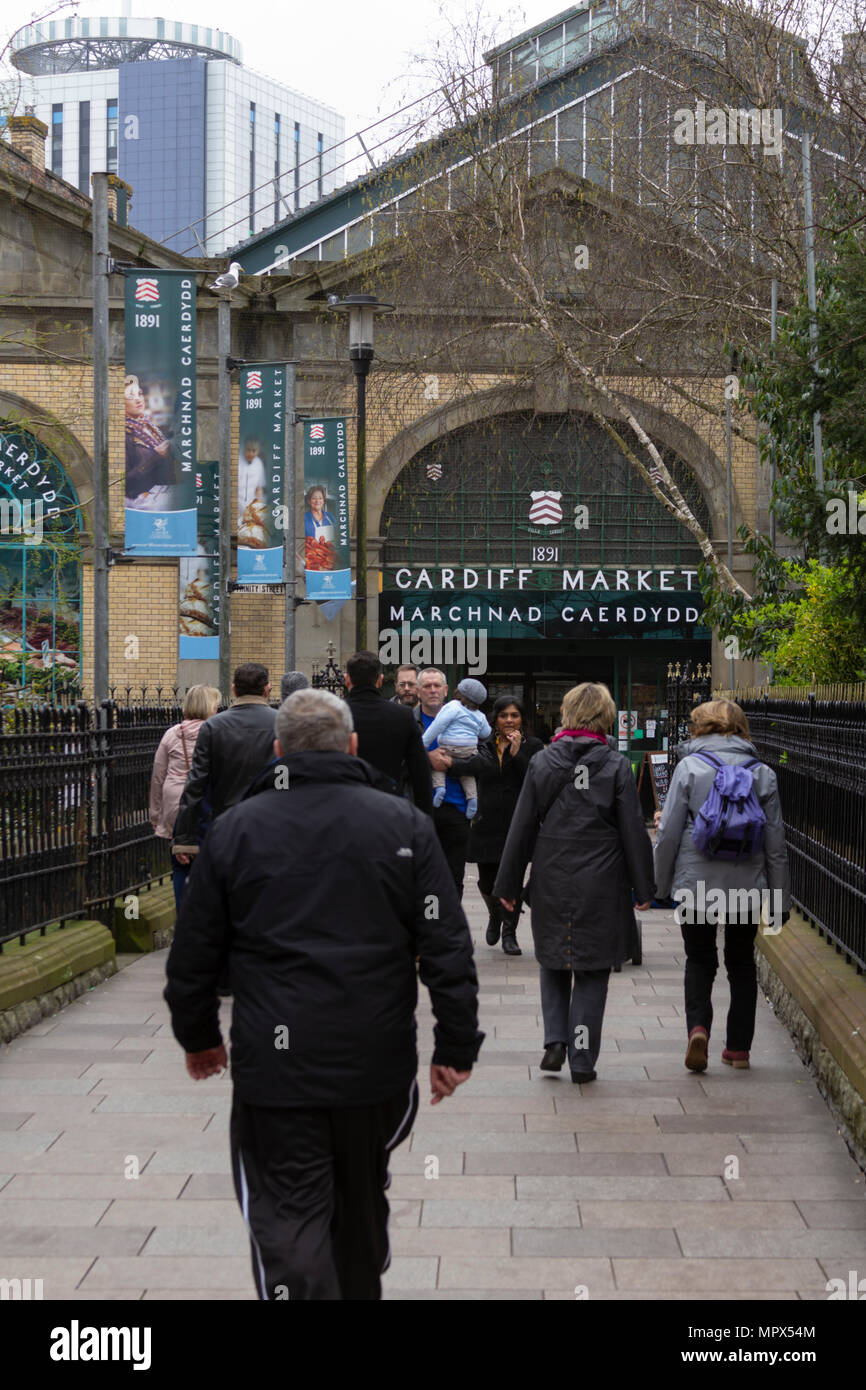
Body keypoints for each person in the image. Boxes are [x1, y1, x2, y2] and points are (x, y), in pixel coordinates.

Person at [163, 688, 483, 1300]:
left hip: (276, 1067)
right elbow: (446, 941)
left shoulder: (235, 830)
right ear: (354, 746)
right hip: (376, 1063)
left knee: (289, 1213)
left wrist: (199, 1035)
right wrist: (455, 1045)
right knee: (360, 1198)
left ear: (278, 750)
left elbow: (195, 949)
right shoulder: (406, 825)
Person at [495, 682, 654, 1083]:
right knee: (592, 969)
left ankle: (554, 1041)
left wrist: (509, 887)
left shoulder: (543, 762)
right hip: (601, 878)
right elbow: (633, 830)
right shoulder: (616, 765)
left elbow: (521, 827)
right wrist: (644, 887)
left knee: (552, 959)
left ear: (566, 714)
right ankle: (581, 1058)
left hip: (551, 872)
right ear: (604, 717)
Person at [653, 699, 790, 1073]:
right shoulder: (762, 772)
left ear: (700, 728)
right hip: (746, 884)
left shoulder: (689, 767)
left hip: (696, 884)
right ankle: (738, 1049)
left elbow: (667, 834)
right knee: (741, 962)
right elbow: (776, 842)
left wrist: (660, 885)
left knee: (699, 959)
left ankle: (698, 1029)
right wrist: (779, 900)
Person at [172, 663, 277, 864]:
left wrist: (185, 838)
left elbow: (196, 783)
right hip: (270, 823)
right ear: (267, 689)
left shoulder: (214, 726)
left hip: (225, 823)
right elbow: (285, 773)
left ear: (234, 689)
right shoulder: (282, 723)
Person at [467, 694, 544, 957]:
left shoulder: (533, 746)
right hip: (487, 822)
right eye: (504, 716)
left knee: (511, 879)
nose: (509, 720)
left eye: (514, 715)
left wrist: (517, 753)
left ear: (522, 719)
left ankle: (509, 934)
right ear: (495, 719)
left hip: (518, 823)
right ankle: (494, 914)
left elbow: (535, 779)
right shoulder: (484, 745)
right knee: (487, 882)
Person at [413, 667, 488, 899]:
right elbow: (398, 760)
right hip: (420, 809)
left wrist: (451, 764)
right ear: (418, 691)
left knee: (453, 878)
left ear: (446, 690)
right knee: (421, 877)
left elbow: (485, 762)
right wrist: (427, 759)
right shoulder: (408, 720)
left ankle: (448, 930)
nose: (432, 690)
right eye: (427, 686)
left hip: (458, 809)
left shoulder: (471, 717)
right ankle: (429, 926)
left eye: (437, 686)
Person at [149, 684, 220, 909]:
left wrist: (156, 815)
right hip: (206, 804)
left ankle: (184, 917)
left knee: (180, 864)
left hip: (174, 803)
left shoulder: (172, 734)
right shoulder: (217, 731)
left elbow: (158, 777)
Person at [344, 650, 432, 814]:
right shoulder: (403, 716)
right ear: (380, 681)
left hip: (345, 808)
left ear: (347, 680)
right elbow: (421, 776)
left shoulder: (333, 715)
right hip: (389, 809)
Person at [421, 678, 491, 818]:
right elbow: (486, 733)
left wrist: (423, 744)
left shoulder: (452, 706)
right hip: (468, 750)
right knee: (467, 775)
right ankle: (472, 799)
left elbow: (438, 725)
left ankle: (440, 788)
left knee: (438, 765)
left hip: (449, 746)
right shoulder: (481, 716)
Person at [124, 374, 174, 507]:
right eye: (130, 397)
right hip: (143, 503)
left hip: (164, 493)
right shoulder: (124, 434)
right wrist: (155, 457)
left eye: (139, 394)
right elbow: (125, 482)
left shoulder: (149, 425)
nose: (138, 400)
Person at [237, 437, 266, 527]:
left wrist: (257, 508)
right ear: (244, 449)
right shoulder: (237, 461)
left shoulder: (259, 463)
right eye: (248, 450)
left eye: (254, 451)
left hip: (251, 507)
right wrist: (234, 508)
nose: (251, 453)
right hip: (237, 506)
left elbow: (259, 488)